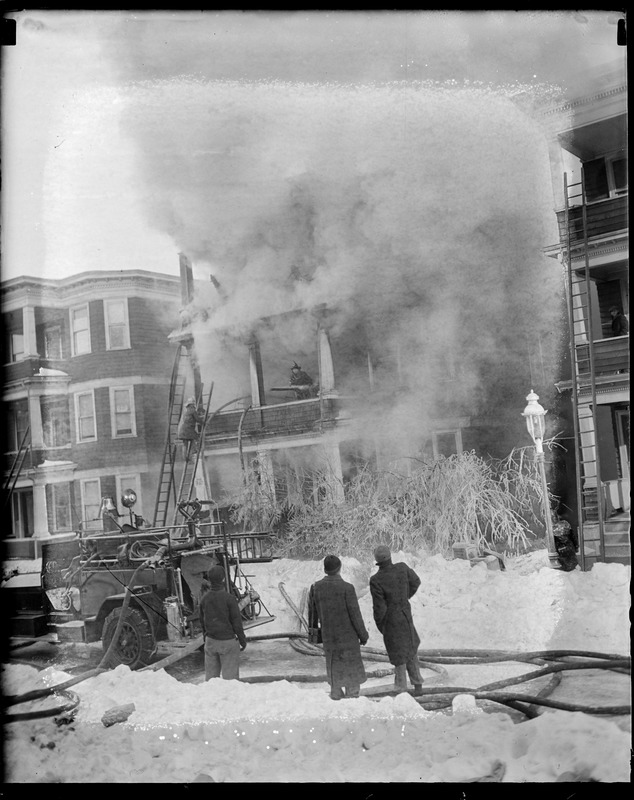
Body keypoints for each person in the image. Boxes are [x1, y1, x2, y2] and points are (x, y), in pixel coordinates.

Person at [308, 555, 369, 700]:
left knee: (334, 665)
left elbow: (312, 614)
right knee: (351, 669)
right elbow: (355, 615)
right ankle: (352, 697)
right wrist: (363, 635)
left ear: (325, 569)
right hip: (348, 638)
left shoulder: (316, 587)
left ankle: (335, 693)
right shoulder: (347, 588)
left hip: (329, 637)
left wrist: (314, 633)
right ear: (339, 568)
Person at [369, 545, 424, 695]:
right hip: (405, 616)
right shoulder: (402, 568)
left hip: (391, 621)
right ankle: (418, 685)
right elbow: (416, 581)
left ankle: (401, 689)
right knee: (411, 649)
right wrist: (404, 598)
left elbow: (379, 608)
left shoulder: (376, 580)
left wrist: (382, 626)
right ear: (390, 556)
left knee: (398, 654)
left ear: (377, 560)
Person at [199, 565, 247, 681]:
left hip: (211, 641)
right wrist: (242, 640)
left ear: (209, 580)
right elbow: (237, 622)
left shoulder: (204, 599)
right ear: (224, 579)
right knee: (230, 681)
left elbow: (202, 620)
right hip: (227, 642)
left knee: (211, 681)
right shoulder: (229, 599)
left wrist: (206, 637)